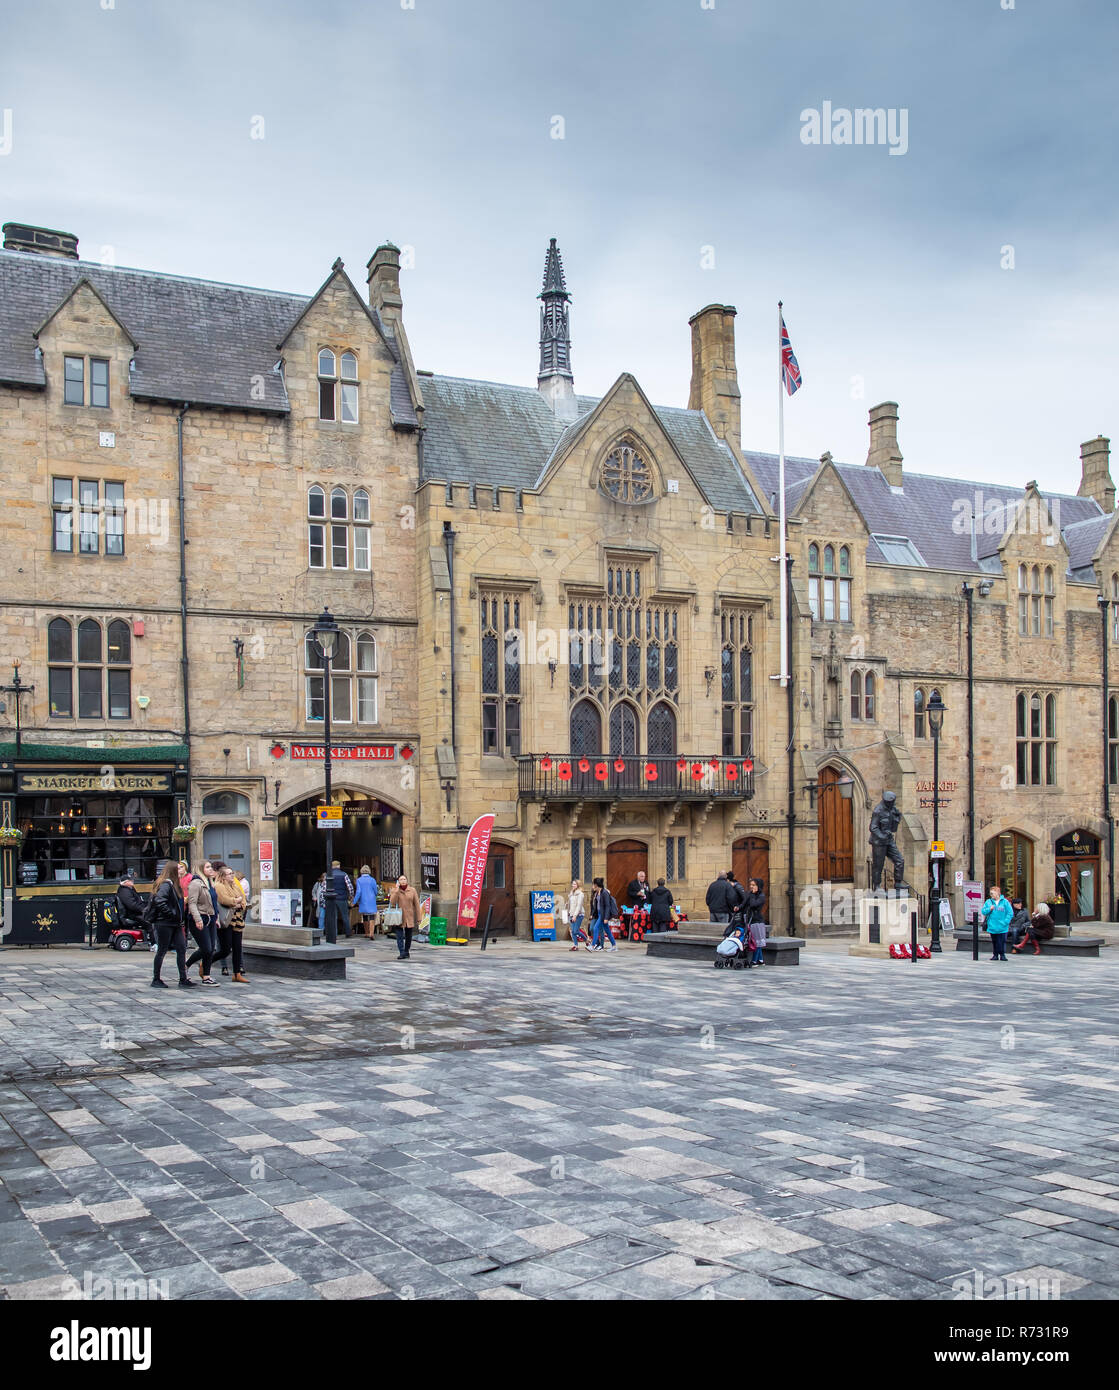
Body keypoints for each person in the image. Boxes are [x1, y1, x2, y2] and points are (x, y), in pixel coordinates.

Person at [149, 859, 193, 989]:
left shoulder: (174, 884)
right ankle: (156, 979)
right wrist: (172, 914)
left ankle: (183, 978)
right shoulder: (166, 885)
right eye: (178, 868)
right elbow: (159, 901)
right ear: (172, 871)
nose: (180, 870)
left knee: (181, 948)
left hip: (175, 924)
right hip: (165, 923)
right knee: (162, 950)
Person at [184, 861, 218, 985]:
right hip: (200, 919)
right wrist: (197, 919)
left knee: (211, 949)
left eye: (211, 867)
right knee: (206, 948)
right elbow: (192, 903)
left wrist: (216, 918)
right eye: (207, 867)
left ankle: (206, 976)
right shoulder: (195, 883)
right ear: (200, 869)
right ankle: (186, 965)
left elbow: (213, 903)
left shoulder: (210, 883)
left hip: (211, 919)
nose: (210, 869)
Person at [214, 864, 249, 983]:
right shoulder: (219, 886)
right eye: (229, 874)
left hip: (238, 919)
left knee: (237, 947)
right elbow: (224, 900)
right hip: (227, 920)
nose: (232, 875)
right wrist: (236, 901)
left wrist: (239, 902)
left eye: (232, 873)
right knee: (225, 949)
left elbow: (243, 898)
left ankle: (237, 973)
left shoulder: (234, 885)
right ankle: (206, 962)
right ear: (223, 876)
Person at [869, 790, 907, 891]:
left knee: (899, 860)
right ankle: (876, 887)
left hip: (889, 841)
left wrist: (898, 817)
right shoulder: (878, 811)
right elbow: (873, 827)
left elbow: (894, 827)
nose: (893, 804)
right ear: (887, 802)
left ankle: (898, 883)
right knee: (878, 865)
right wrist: (882, 836)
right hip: (879, 842)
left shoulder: (892, 809)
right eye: (891, 802)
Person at [389, 874, 422, 960]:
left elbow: (417, 904)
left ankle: (407, 951)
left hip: (409, 916)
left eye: (404, 879)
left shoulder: (412, 890)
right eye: (401, 880)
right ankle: (402, 952)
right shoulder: (395, 890)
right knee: (399, 936)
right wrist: (396, 890)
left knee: (408, 936)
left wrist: (419, 917)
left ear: (407, 881)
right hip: (399, 916)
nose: (403, 881)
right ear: (398, 882)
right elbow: (392, 902)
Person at [323, 859, 354, 944]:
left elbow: (324, 888)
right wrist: (351, 896)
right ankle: (348, 932)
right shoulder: (344, 875)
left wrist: (324, 899)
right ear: (339, 866)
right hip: (342, 898)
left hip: (332, 899)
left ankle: (334, 934)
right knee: (345, 916)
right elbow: (350, 887)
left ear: (332, 867)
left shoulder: (328, 875)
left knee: (334, 917)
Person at [979, 883, 1012, 961]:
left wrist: (1005, 922)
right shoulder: (988, 902)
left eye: (992, 893)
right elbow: (983, 911)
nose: (991, 895)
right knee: (995, 941)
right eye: (990, 893)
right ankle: (995, 954)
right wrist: (989, 909)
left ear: (998, 893)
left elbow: (1010, 913)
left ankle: (1002, 955)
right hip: (993, 925)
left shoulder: (1005, 902)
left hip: (1003, 926)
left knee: (1002, 941)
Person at [587, 876, 619, 952]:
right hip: (599, 913)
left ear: (596, 885)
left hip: (603, 914)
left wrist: (606, 918)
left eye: (593, 884)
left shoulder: (605, 893)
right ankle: (614, 946)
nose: (593, 886)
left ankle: (592, 945)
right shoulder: (598, 893)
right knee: (607, 930)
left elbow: (607, 906)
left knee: (595, 928)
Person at [115, 872, 149, 940]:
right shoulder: (124, 891)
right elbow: (132, 905)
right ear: (125, 882)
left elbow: (137, 902)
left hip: (135, 912)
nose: (132, 881)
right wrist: (144, 910)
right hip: (132, 914)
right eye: (130, 880)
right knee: (150, 921)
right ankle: (154, 943)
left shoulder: (130, 889)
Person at [743, 877, 767, 965]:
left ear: (758, 886)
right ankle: (760, 960)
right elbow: (744, 903)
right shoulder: (750, 894)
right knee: (756, 941)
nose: (751, 887)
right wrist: (738, 907)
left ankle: (754, 960)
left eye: (753, 885)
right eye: (751, 885)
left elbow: (753, 904)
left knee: (757, 942)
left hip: (757, 921)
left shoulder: (761, 896)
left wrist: (752, 895)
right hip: (750, 920)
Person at [353, 864, 379, 935]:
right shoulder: (372, 880)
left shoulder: (359, 880)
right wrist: (375, 895)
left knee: (364, 916)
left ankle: (367, 933)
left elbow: (358, 892)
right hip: (371, 900)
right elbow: (375, 890)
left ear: (361, 871)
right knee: (372, 916)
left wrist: (354, 901)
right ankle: (371, 933)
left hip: (363, 900)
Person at [567, 879, 586, 951]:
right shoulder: (571, 893)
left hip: (579, 914)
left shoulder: (580, 894)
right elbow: (570, 905)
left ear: (578, 885)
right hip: (571, 914)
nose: (573, 885)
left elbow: (579, 906)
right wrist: (569, 914)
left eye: (575, 884)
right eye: (572, 884)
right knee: (572, 931)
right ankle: (575, 946)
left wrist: (575, 915)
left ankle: (586, 940)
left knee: (576, 931)